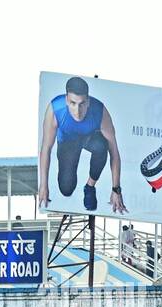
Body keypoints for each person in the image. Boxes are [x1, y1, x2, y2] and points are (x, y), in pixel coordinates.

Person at [38, 76, 127, 215]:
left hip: (89, 138)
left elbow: (114, 152)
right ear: (67, 100)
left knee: (102, 146)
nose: (77, 111)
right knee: (66, 189)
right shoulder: (55, 109)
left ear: (88, 101)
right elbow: (46, 148)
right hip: (67, 143)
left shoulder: (100, 111)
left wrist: (116, 189)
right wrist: (43, 185)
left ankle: (89, 186)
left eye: (82, 104)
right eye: (73, 103)